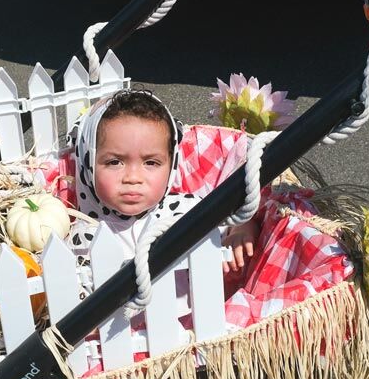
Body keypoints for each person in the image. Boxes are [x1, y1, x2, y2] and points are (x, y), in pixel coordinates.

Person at [68, 89, 259, 274]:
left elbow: (236, 220)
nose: (133, 178)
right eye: (114, 162)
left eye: (151, 162)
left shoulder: (186, 211)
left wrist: (239, 232)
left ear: (171, 164)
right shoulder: (83, 239)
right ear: (88, 165)